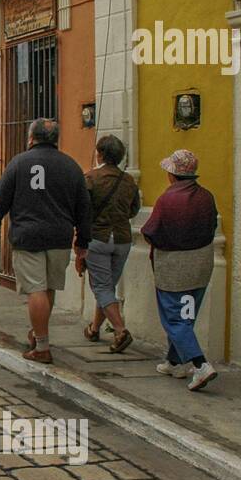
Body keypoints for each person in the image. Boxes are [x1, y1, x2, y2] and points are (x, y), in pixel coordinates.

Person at [0, 118, 91, 364]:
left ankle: (42, 345)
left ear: (31, 138)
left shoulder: (19, 163)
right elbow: (84, 208)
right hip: (59, 236)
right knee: (48, 288)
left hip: (28, 235)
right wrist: (82, 242)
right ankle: (38, 333)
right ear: (56, 140)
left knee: (35, 289)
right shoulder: (71, 166)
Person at [141, 149, 219, 391]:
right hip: (201, 264)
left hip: (173, 267)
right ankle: (175, 361)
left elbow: (151, 230)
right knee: (186, 315)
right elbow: (213, 224)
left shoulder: (167, 199)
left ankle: (200, 364)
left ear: (173, 175)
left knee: (174, 318)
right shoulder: (206, 196)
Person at [80, 135, 141, 353]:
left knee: (101, 287)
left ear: (101, 154)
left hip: (98, 238)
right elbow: (134, 209)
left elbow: (83, 212)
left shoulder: (91, 178)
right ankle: (95, 328)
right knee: (107, 287)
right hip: (123, 239)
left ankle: (120, 330)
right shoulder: (129, 181)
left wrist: (79, 242)